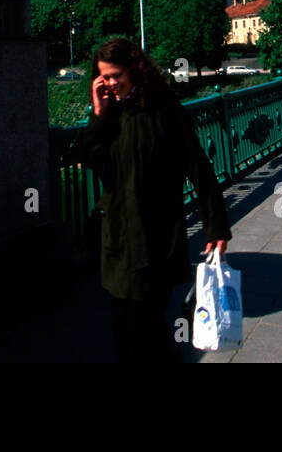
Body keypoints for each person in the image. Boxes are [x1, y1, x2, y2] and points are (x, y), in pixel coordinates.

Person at [72, 38, 231, 362]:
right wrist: (98, 116)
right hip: (118, 238)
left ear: (134, 69)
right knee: (124, 327)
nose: (112, 84)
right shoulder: (109, 114)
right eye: (105, 77)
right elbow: (90, 160)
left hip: (157, 236)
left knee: (147, 326)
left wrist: (216, 228)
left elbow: (199, 168)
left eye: (117, 75)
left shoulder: (164, 109)